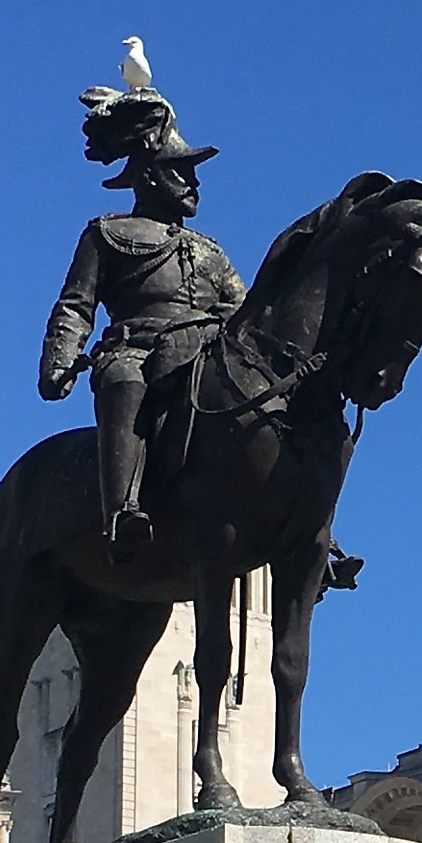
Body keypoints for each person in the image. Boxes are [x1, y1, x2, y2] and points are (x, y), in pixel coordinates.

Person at [41, 86, 245, 559]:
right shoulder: (107, 234)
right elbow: (76, 304)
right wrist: (60, 359)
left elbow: (243, 310)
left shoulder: (211, 252)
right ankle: (123, 513)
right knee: (123, 381)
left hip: (206, 355)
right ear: (150, 177)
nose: (194, 184)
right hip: (137, 350)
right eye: (182, 172)